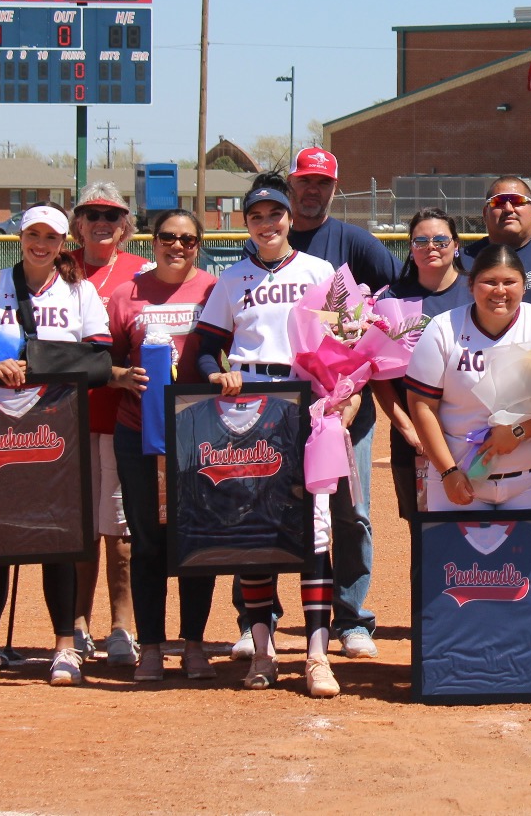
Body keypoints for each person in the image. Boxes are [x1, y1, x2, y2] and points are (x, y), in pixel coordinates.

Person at [193, 175, 341, 696]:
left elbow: (348, 337)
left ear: (288, 218)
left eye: (275, 214)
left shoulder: (320, 271)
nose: (267, 224)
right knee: (254, 530)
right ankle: (263, 649)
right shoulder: (231, 280)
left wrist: (342, 391)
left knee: (314, 530)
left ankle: (318, 656)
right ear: (247, 223)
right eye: (256, 216)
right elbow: (206, 347)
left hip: (309, 404)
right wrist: (218, 373)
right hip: (252, 404)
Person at [0, 204, 111, 688]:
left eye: (51, 237)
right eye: (32, 234)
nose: (40, 244)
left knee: (57, 538)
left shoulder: (80, 292)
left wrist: (38, 361)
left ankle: (65, 648)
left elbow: (100, 360)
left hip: (55, 427)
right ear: (20, 237)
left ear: (65, 241)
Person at [285, 147, 397, 664]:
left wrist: (359, 381)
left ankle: (352, 619)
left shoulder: (354, 242)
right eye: (306, 182)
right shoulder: (273, 238)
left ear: (334, 187)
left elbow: (393, 304)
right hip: (285, 403)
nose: (314, 191)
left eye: (322, 183)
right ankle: (255, 618)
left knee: (353, 512)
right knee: (273, 506)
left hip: (349, 402)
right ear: (292, 185)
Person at [104, 207, 219, 684]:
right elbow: (102, 363)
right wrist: (121, 377)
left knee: (197, 541)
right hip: (139, 434)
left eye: (188, 240)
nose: (178, 246)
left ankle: (193, 645)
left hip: (198, 434)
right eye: (169, 237)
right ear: (153, 242)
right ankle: (150, 646)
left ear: (199, 244)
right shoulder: (125, 294)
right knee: (148, 539)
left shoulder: (214, 290)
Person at [404, 245, 531, 510]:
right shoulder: (443, 328)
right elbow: (422, 405)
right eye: (489, 282)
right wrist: (447, 471)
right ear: (471, 284)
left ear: (524, 286)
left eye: (510, 282)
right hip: (458, 478)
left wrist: (519, 432)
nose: (500, 291)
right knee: (455, 553)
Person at [68, 181, 146, 668]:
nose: (102, 222)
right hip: (67, 419)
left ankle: (122, 626)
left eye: (112, 215)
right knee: (77, 528)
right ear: (77, 222)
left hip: (122, 419)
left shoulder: (140, 272)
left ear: (126, 225)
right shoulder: (58, 266)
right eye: (92, 213)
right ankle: (76, 624)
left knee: (120, 527)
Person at [374, 208, 473, 537]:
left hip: (472, 435)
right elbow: (380, 377)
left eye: (441, 239)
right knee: (425, 533)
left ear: (456, 245)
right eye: (421, 240)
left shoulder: (477, 292)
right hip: (414, 440)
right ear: (410, 247)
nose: (431, 246)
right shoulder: (392, 300)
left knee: (477, 526)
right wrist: (407, 428)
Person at [463, 175, 531, 300]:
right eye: (499, 202)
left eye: (517, 201)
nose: (508, 208)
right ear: (485, 213)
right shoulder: (462, 262)